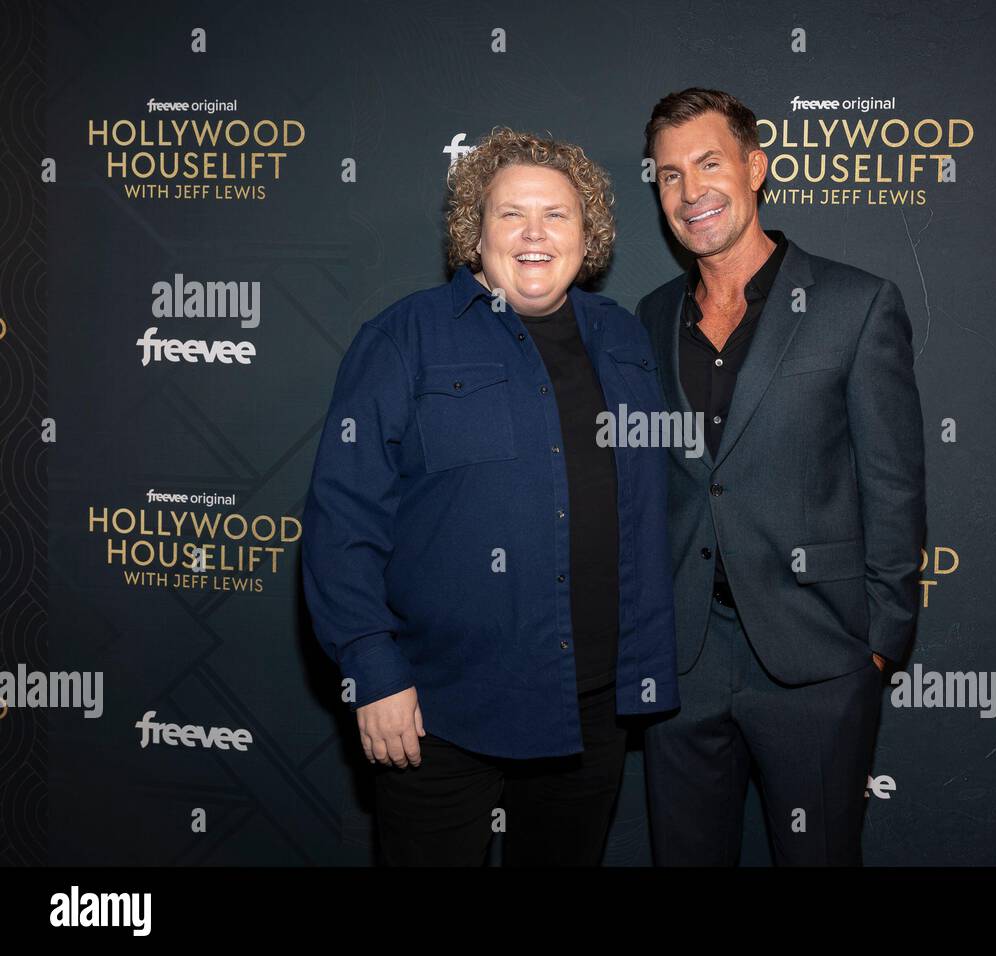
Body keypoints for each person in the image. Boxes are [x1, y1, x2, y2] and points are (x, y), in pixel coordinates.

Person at [301, 126, 679, 866]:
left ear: (589, 235)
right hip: (441, 707)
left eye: (558, 215)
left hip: (593, 701)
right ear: (475, 234)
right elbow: (342, 518)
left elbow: (645, 506)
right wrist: (372, 670)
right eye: (511, 214)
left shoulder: (623, 339)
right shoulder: (404, 338)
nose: (535, 233)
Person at [635, 88, 927, 865]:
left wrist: (878, 648)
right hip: (683, 662)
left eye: (707, 163)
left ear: (755, 167)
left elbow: (894, 485)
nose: (690, 191)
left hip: (818, 661)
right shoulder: (651, 315)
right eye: (668, 175)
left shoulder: (856, 305)